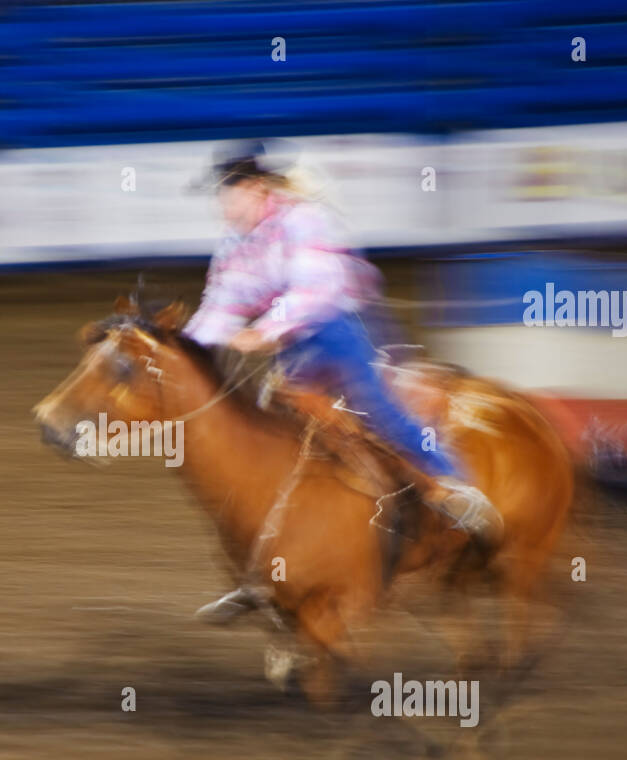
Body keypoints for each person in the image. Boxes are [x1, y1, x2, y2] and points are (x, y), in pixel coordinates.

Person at [183, 141, 502, 623]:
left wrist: (262, 331)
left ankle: (454, 485)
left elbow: (315, 291)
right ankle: (272, 564)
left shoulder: (302, 219)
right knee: (273, 426)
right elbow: (219, 301)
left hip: (336, 328)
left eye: (224, 193)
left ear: (251, 188)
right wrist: (185, 346)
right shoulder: (233, 243)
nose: (219, 205)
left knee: (377, 407)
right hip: (294, 345)